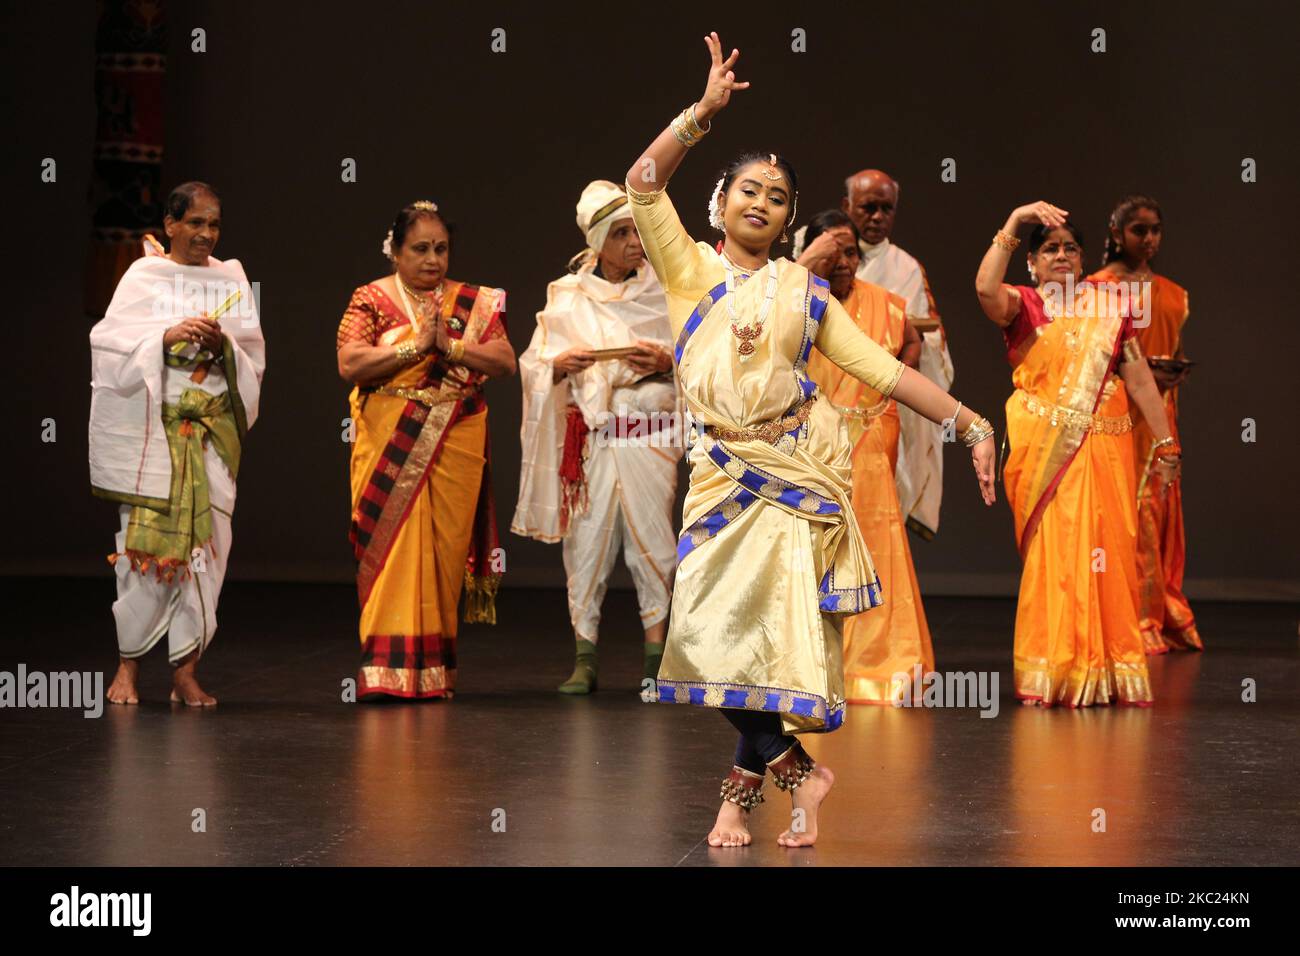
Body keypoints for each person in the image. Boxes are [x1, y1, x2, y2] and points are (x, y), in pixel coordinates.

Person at [625, 33, 997, 848]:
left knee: (763, 652)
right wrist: (703, 113)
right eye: (749, 189)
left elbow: (888, 373)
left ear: (790, 219)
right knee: (698, 637)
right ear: (721, 202)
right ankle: (801, 773)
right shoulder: (687, 269)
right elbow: (642, 183)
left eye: (778, 196)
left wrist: (971, 423)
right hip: (720, 473)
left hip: (791, 479)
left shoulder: (805, 295)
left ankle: (744, 794)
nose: (761, 202)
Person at [975, 200, 1181, 707]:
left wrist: (1165, 440)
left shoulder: (1110, 308)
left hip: (1106, 447)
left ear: (1083, 258)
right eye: (1049, 249)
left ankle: (1109, 667)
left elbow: (1136, 378)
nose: (1061, 255)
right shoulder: (1021, 304)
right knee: (1056, 554)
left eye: (1070, 248)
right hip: (1047, 454)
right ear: (1033, 262)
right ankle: (1056, 668)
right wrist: (1014, 221)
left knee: (1109, 549)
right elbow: (983, 288)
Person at [90, 181, 266, 707]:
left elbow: (254, 357)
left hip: (210, 435)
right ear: (171, 224)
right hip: (156, 436)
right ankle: (128, 669)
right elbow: (108, 344)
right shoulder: (144, 276)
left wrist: (225, 345)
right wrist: (164, 338)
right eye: (195, 223)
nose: (206, 234)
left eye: (214, 224)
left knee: (207, 554)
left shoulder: (231, 278)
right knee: (143, 553)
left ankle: (186, 672)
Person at [337, 201, 515, 700]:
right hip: (389, 438)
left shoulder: (473, 302)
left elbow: (504, 360)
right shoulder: (370, 298)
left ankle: (433, 672)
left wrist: (452, 348)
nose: (433, 259)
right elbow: (350, 363)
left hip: (455, 436)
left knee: (441, 552)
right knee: (392, 547)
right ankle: (385, 671)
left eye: (441, 248)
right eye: (420, 249)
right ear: (395, 250)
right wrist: (415, 348)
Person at [513, 180, 679, 694]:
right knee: (585, 547)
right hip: (592, 442)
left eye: (638, 231)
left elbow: (699, 355)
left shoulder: (663, 291)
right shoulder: (567, 297)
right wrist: (559, 365)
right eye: (622, 233)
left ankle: (657, 660)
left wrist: (668, 360)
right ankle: (585, 657)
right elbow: (535, 363)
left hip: (649, 435)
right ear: (599, 241)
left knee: (656, 545)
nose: (635, 242)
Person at [798, 210, 933, 703]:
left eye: (851, 252)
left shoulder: (887, 304)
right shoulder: (796, 304)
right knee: (816, 548)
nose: (844, 262)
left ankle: (882, 664)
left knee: (877, 543)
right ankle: (814, 667)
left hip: (873, 437)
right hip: (813, 446)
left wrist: (899, 376)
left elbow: (913, 340)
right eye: (832, 251)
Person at [1088, 196, 1200, 653]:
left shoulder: (1174, 293)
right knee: (1125, 510)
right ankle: (1127, 616)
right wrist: (1135, 374)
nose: (1149, 239)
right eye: (1138, 230)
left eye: (1155, 230)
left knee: (1159, 510)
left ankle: (1155, 609)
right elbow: (1088, 358)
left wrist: (1170, 373)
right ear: (1116, 234)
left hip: (1158, 414)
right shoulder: (1096, 288)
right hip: (1116, 414)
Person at [841, 168, 953, 541]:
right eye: (868, 207)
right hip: (829, 404)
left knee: (879, 514)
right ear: (847, 206)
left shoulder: (906, 268)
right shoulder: (819, 250)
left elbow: (932, 342)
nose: (877, 217)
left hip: (882, 405)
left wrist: (909, 351)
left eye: (886, 209)